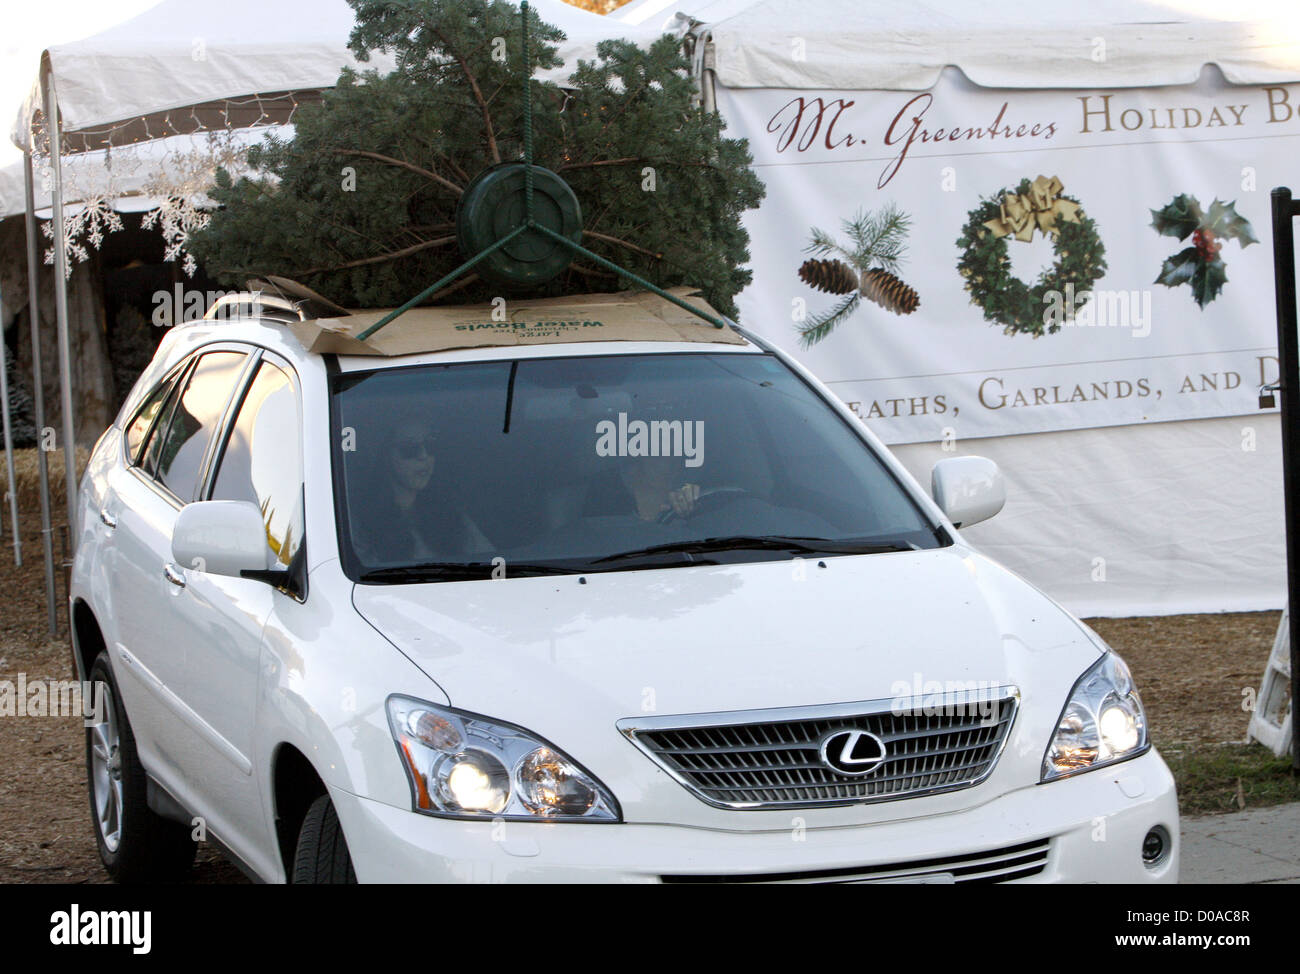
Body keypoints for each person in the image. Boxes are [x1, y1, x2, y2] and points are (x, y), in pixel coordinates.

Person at [354, 418, 491, 563]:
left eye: (430, 444)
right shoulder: (358, 526)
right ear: (385, 456)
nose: (424, 456)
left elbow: (488, 563)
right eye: (410, 448)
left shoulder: (451, 515)